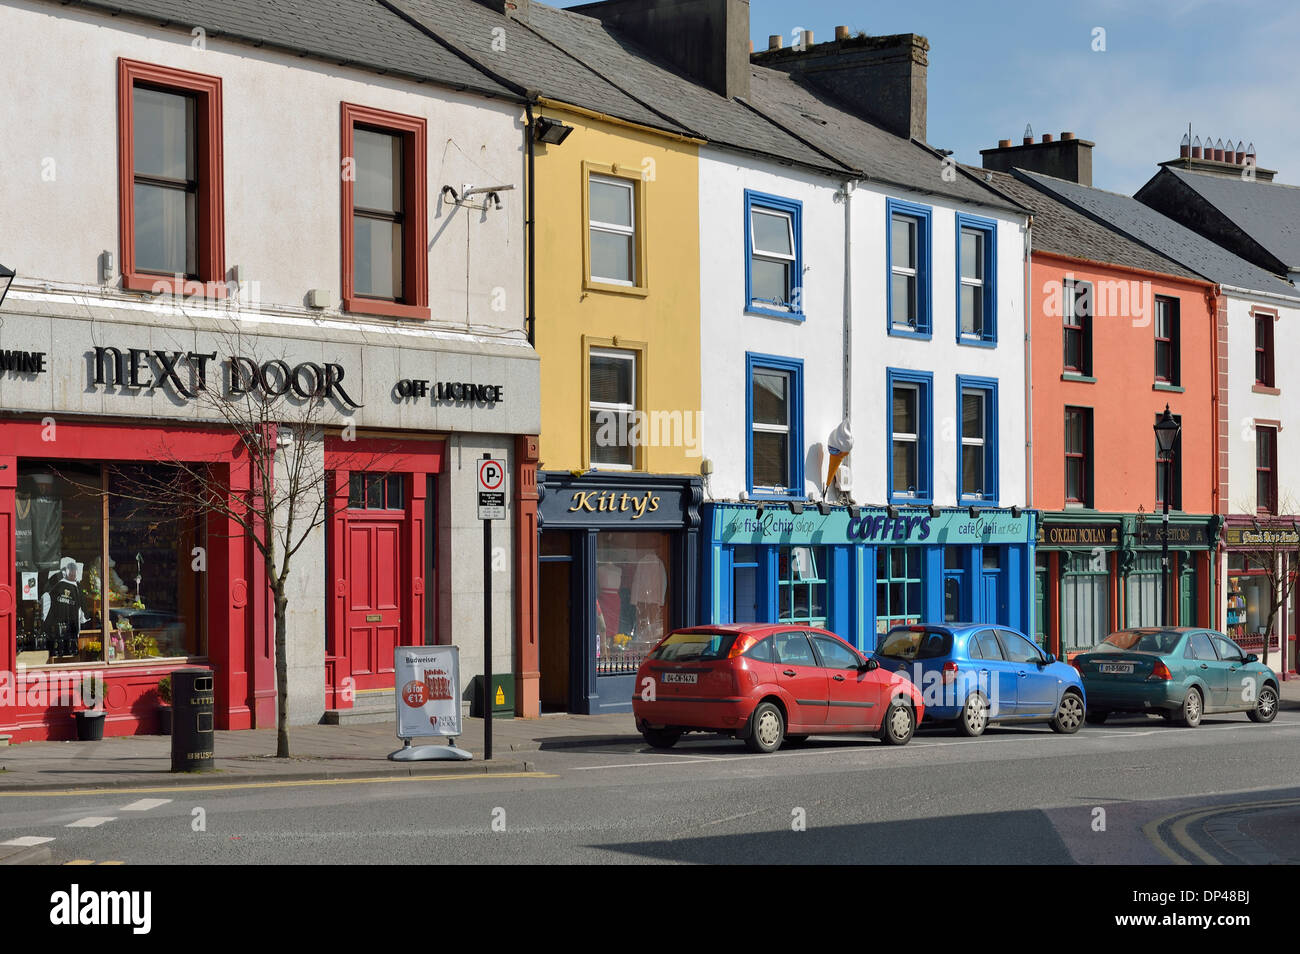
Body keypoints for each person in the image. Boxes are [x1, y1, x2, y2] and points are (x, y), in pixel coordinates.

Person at [42, 558, 87, 657]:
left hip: (63, 629)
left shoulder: (76, 586)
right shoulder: (54, 584)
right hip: (60, 629)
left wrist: (44, 619)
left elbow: (44, 604)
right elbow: (83, 613)